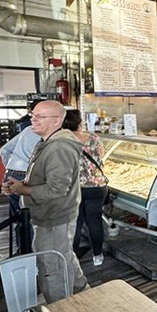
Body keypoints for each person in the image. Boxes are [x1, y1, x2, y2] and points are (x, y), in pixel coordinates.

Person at [1, 100, 86, 297]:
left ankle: (59, 311)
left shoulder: (59, 147)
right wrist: (19, 186)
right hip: (50, 215)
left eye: (40, 116)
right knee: (63, 256)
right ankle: (82, 293)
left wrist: (24, 189)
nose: (33, 119)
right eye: (33, 115)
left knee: (52, 266)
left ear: (57, 120)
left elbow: (57, 189)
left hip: (54, 217)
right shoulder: (47, 142)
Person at [62, 109, 108, 267]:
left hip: (75, 187)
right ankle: (97, 256)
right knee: (94, 220)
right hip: (96, 185)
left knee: (76, 222)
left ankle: (72, 258)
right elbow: (101, 156)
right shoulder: (94, 138)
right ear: (80, 123)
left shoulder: (62, 141)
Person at [0, 124, 40, 251]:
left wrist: (11, 169)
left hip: (12, 172)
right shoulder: (49, 135)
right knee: (30, 215)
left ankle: (22, 250)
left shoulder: (28, 129)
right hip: (27, 174)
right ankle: (30, 251)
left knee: (18, 215)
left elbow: (3, 150)